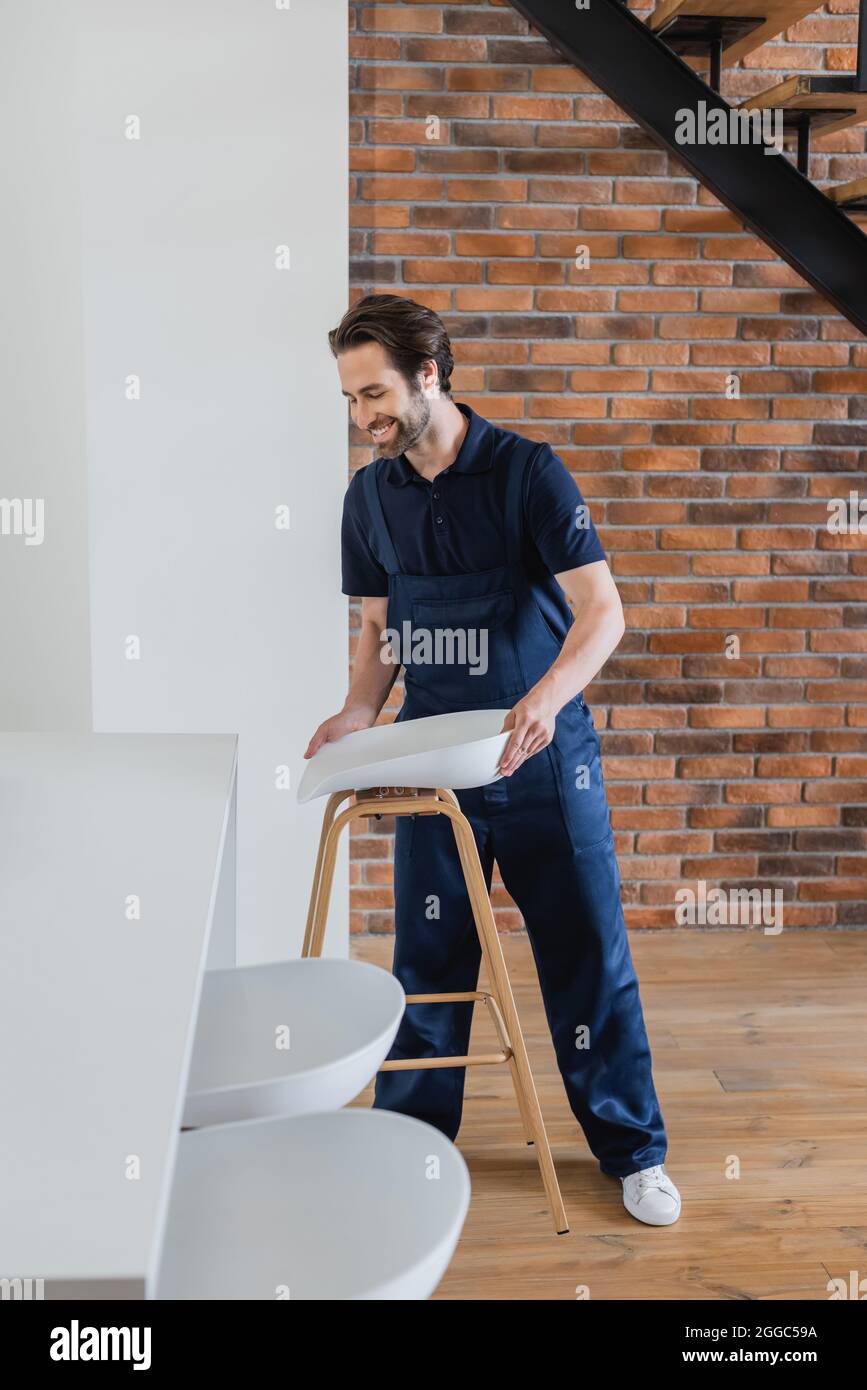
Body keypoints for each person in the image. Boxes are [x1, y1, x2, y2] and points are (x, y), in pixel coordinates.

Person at [305, 294, 681, 1226]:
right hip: (434, 765)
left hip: (545, 760)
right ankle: (410, 1144)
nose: (364, 418)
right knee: (426, 962)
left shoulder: (527, 473)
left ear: (429, 375)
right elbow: (377, 626)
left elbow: (603, 612)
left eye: (377, 394)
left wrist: (544, 704)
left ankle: (633, 1153)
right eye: (352, 400)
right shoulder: (370, 494)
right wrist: (359, 711)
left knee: (586, 955)